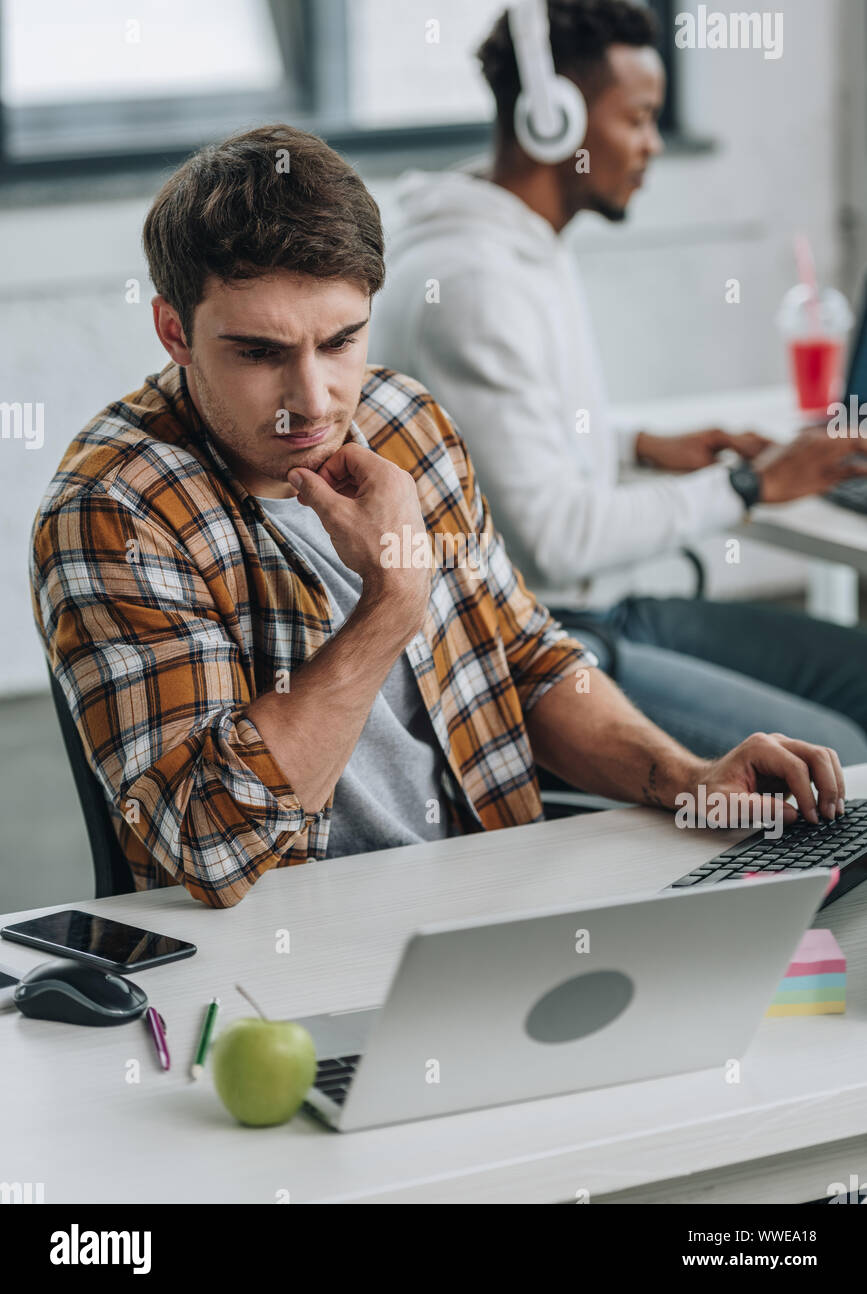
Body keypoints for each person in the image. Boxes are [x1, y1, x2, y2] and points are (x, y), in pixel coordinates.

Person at [31, 125, 849, 908]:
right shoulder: (114, 513)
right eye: (259, 353)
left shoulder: (403, 419)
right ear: (175, 331)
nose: (312, 401)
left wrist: (686, 778)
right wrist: (391, 599)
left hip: (479, 894)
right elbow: (214, 845)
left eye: (340, 340)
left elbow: (525, 660)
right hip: (275, 961)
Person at [369, 0, 867, 763]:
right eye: (635, 118)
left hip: (592, 611)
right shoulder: (474, 284)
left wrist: (639, 445)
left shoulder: (515, 246)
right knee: (834, 752)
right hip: (542, 639)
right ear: (552, 121)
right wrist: (748, 487)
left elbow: (502, 445)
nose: (652, 145)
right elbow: (558, 540)